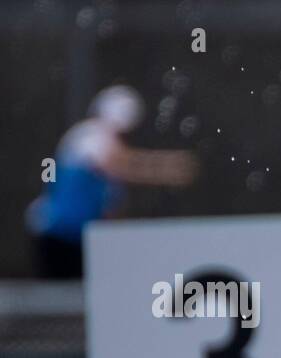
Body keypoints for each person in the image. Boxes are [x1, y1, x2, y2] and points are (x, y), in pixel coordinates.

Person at [26, 85, 196, 278]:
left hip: (80, 239)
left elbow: (112, 203)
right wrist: (167, 168)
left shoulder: (104, 153)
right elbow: (118, 164)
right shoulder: (89, 136)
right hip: (58, 236)